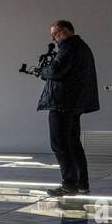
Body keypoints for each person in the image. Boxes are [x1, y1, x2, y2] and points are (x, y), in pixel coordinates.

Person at [36, 20, 99, 196]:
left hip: (62, 103)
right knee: (73, 144)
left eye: (55, 34)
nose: (54, 38)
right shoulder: (83, 47)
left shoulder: (69, 47)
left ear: (65, 31)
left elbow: (55, 71)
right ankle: (82, 184)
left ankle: (69, 184)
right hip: (74, 103)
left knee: (60, 144)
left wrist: (42, 72)